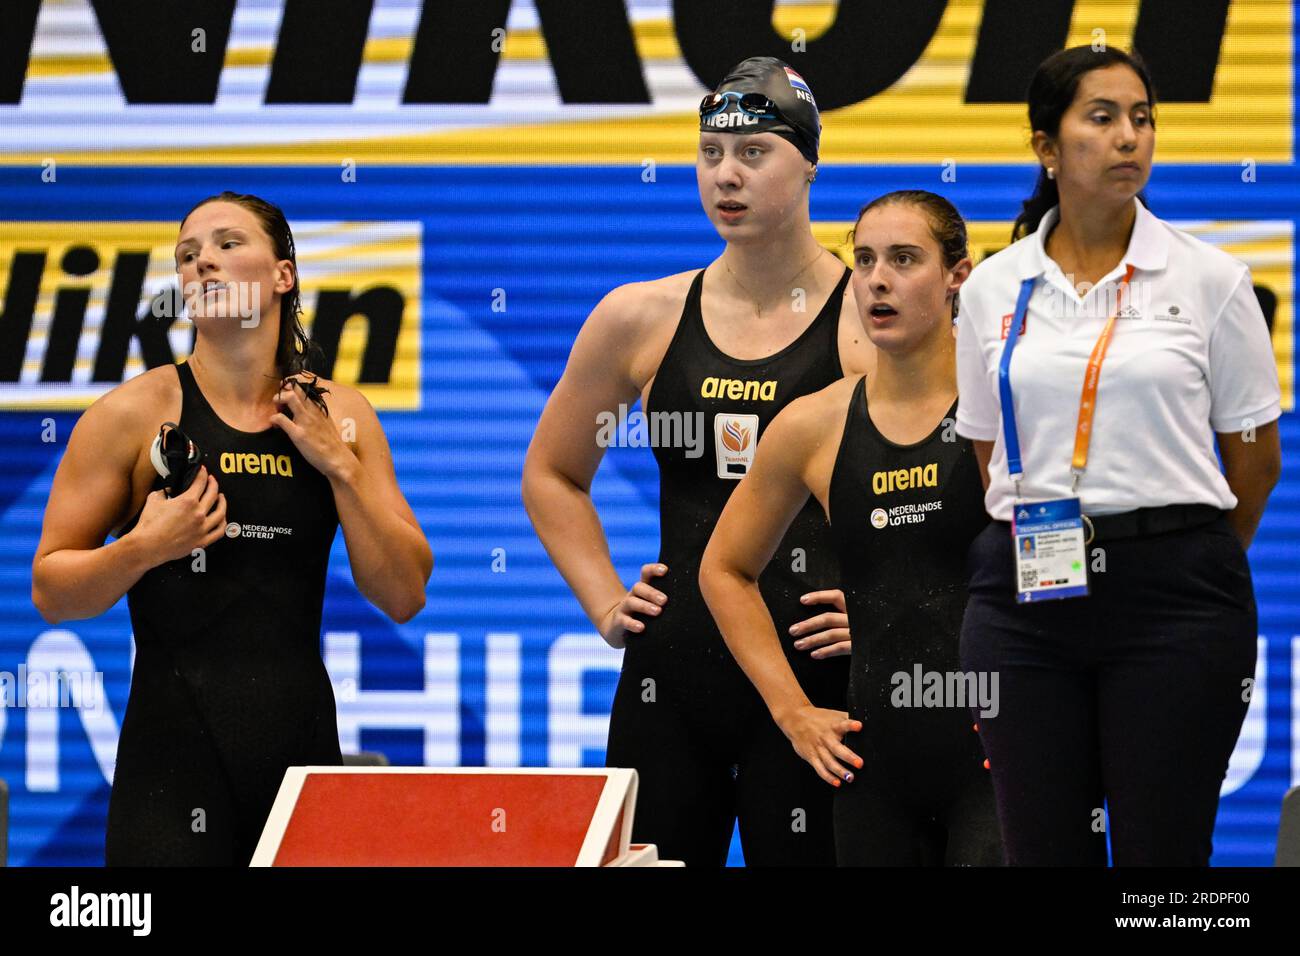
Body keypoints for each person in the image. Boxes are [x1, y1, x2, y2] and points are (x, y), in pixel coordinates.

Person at [522, 57, 875, 867]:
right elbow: (553, 474)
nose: (727, 174)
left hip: (817, 678)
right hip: (672, 679)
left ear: (811, 163)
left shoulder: (868, 319)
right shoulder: (640, 318)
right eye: (711, 152)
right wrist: (606, 602)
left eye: (755, 152)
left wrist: (891, 615)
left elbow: (948, 488)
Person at [31, 191, 434, 865]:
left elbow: (404, 593)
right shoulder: (132, 414)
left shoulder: (341, 414)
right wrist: (143, 548)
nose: (203, 264)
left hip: (299, 757)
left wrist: (341, 467)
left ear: (283, 274)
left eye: (227, 244)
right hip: (170, 768)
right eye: (188, 256)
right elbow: (51, 590)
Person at [954, 46, 1282, 865]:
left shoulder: (1210, 279)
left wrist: (1175, 551)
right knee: (1040, 850)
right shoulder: (994, 288)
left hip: (1176, 601)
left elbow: (1255, 455)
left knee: (1162, 861)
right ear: (1046, 147)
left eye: (1142, 119)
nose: (1129, 137)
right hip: (1024, 596)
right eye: (1101, 118)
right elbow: (988, 451)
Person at [700, 190, 1003, 865]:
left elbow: (1063, 564)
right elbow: (724, 569)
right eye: (864, 260)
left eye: (904, 259)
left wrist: (1051, 715)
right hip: (874, 778)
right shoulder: (815, 425)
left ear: (960, 276)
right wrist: (791, 711)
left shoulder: (1005, 408)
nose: (878, 280)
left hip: (995, 765)